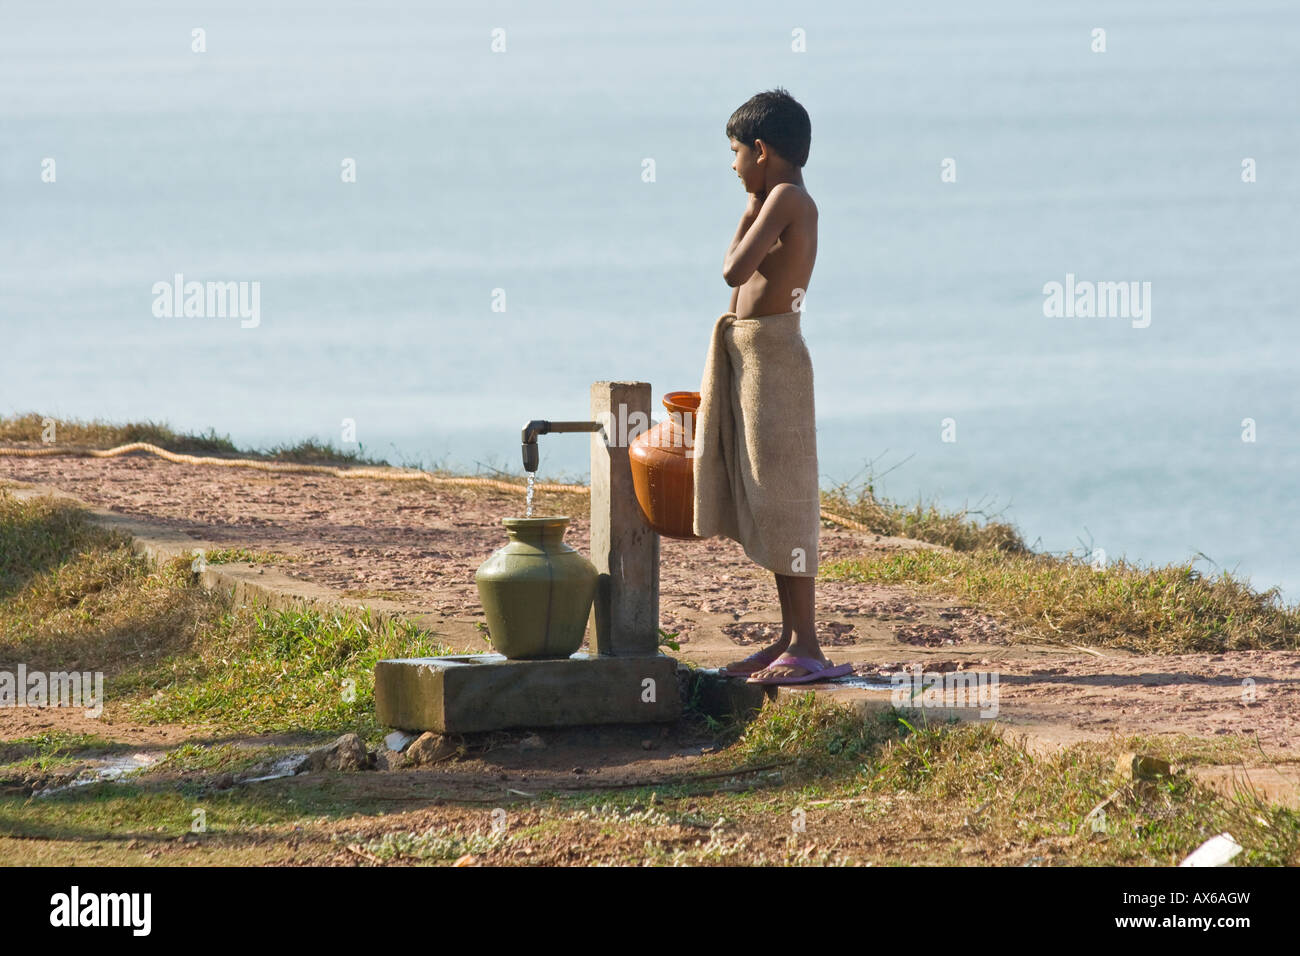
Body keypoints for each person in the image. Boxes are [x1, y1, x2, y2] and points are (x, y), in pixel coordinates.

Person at [702, 88, 848, 685]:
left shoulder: (786, 198)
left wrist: (749, 209)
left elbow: (733, 270)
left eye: (736, 153)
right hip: (756, 354)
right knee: (765, 492)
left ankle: (808, 645)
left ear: (762, 150)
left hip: (776, 358)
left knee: (784, 498)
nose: (733, 166)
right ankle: (789, 637)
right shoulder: (780, 195)